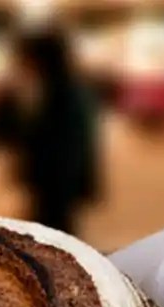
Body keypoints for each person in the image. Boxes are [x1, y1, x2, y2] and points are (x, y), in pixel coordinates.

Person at [11, 27, 99, 236]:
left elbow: (54, 140)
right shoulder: (63, 87)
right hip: (55, 181)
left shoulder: (62, 93)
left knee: (55, 233)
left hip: (57, 181)